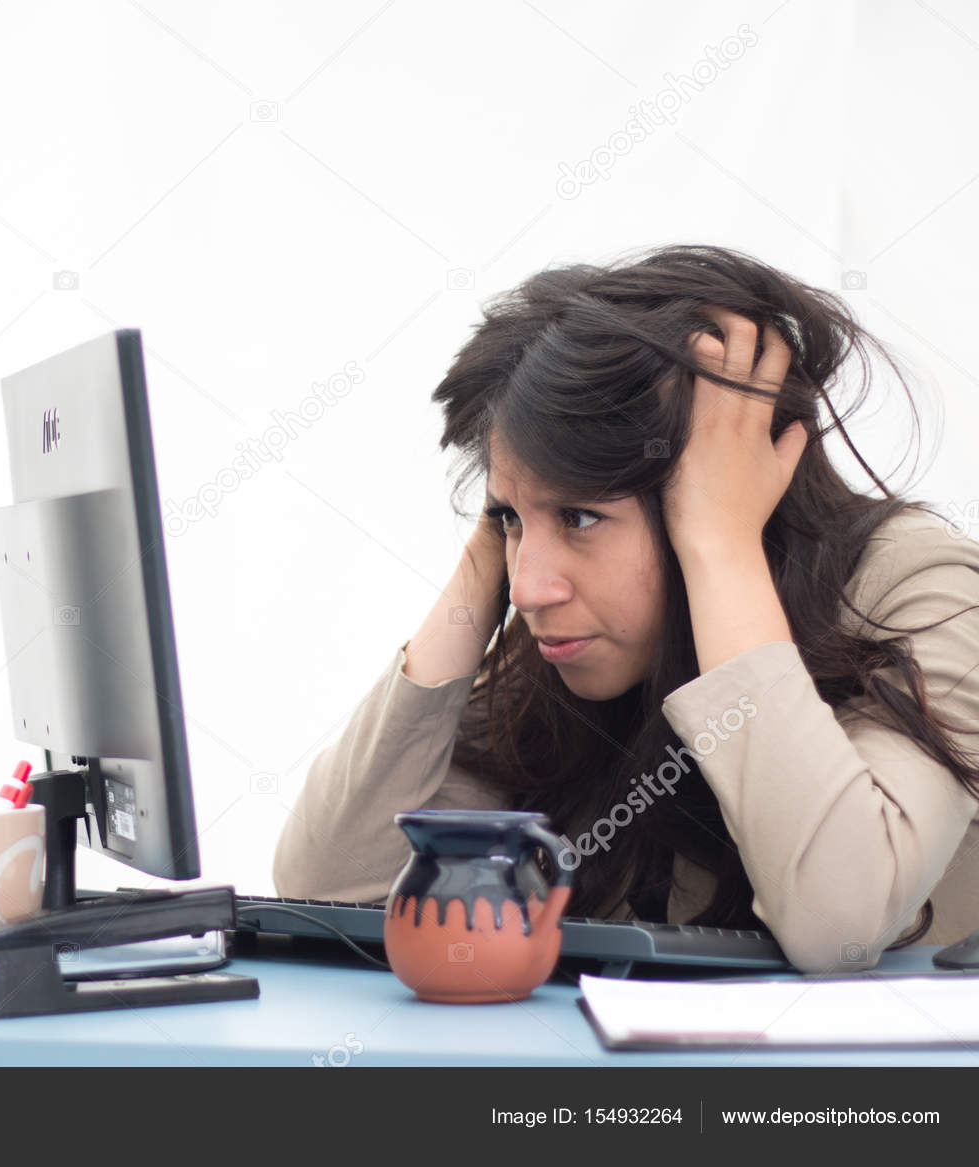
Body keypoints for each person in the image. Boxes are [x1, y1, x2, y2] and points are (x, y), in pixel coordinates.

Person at [272, 244, 979, 974]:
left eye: (579, 517)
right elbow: (326, 883)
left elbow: (842, 924)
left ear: (725, 493)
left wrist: (721, 546)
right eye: (510, 520)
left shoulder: (921, 585)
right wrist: (497, 535)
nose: (530, 589)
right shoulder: (571, 643)